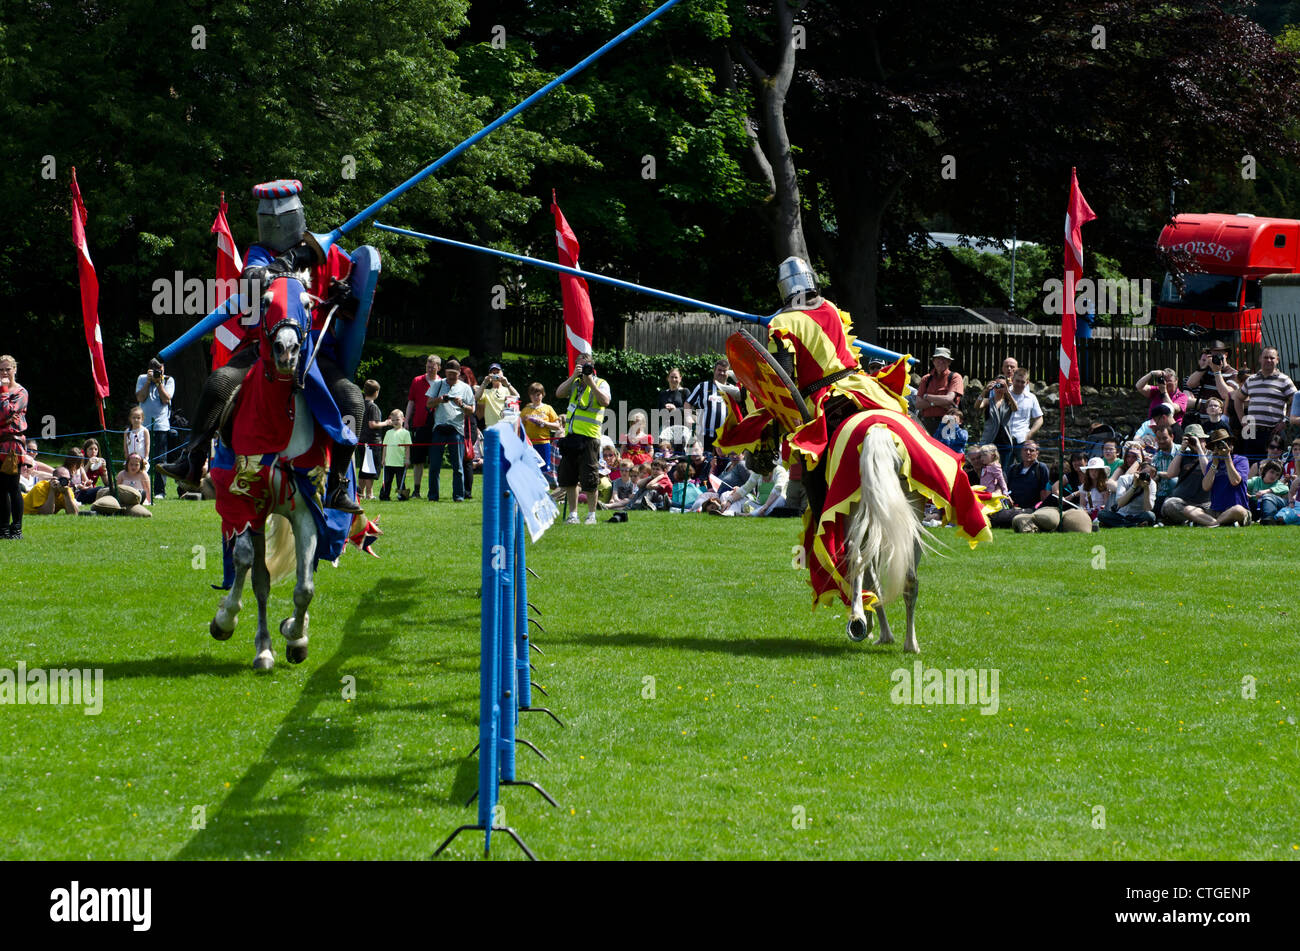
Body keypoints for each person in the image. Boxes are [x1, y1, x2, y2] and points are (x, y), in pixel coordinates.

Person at [160, 179, 364, 514]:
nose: (273, 224)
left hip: (314, 350)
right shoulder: (261, 252)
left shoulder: (330, 253)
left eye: (279, 217)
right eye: (266, 218)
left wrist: (344, 299)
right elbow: (252, 279)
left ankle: (338, 486)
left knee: (354, 403)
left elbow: (354, 308)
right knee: (217, 383)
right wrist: (282, 264)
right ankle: (193, 462)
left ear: (295, 216)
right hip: (263, 346)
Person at [555, 352, 611, 524]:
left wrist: (591, 383)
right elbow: (558, 393)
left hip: (589, 438)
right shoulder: (575, 383)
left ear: (592, 367)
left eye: (585, 366)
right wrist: (573, 376)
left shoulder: (601, 383)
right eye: (579, 366)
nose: (583, 369)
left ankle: (591, 515)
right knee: (570, 479)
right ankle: (573, 515)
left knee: (590, 478)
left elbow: (605, 401)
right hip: (571, 437)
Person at [1177, 427, 1251, 527]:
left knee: (1238, 510)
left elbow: (1235, 481)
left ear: (1232, 445)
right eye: (1218, 445)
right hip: (1215, 510)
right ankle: (1217, 523)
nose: (1223, 447)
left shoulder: (1241, 460)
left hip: (1235, 509)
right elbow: (1206, 486)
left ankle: (1212, 522)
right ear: (1213, 448)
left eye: (1226, 443)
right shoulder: (1212, 464)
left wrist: (1227, 458)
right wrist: (1215, 463)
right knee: (1188, 509)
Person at [425, 360, 475, 502]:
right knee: (434, 465)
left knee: (458, 466)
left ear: (459, 373)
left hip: (456, 429)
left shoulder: (466, 388)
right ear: (445, 372)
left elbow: (471, 411)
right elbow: (428, 404)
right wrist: (440, 400)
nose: (452, 377)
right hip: (439, 428)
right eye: (449, 374)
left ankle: (459, 496)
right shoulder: (438, 384)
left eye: (455, 374)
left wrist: (462, 404)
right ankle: (433, 496)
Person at [1238, 347, 1296, 464]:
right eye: (1265, 357)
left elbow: (1296, 401)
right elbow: (1238, 399)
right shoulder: (1251, 380)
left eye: (1272, 358)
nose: (1268, 360)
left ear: (1277, 360)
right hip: (1251, 430)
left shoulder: (1285, 380)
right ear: (1260, 359)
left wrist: (1285, 421)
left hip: (1273, 431)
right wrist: (1242, 420)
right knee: (1249, 464)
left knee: (1272, 467)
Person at [134, 358, 175, 498]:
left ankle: (159, 491)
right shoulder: (142, 378)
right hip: (142, 426)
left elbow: (166, 399)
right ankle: (139, 488)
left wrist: (158, 384)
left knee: (160, 459)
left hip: (161, 425)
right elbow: (140, 398)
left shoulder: (169, 380)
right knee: (140, 458)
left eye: (160, 370)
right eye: (155, 371)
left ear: (163, 369)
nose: (158, 373)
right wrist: (148, 382)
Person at [989, 440, 1050, 528]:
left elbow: (1044, 492)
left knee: (1003, 518)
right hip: (1012, 507)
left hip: (1031, 509)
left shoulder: (1041, 468)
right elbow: (1004, 487)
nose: (1028, 452)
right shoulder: (1013, 468)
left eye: (1031, 450)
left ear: (1037, 453)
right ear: (1021, 452)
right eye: (1025, 450)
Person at [0, 354, 29, 539]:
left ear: (15, 370)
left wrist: (3, 392)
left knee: (12, 486)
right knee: (0, 489)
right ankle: (2, 528)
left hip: (12, 445)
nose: (4, 373)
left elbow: (6, 412)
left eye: (7, 369)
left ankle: (16, 529)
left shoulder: (21, 392)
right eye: (1, 369)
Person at [405, 355, 441, 499]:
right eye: (428, 365)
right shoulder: (417, 380)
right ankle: (416, 490)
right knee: (418, 460)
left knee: (434, 460)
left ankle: (433, 491)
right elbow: (411, 402)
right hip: (419, 424)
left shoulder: (442, 383)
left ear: (438, 367)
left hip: (436, 425)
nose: (430, 368)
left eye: (433, 366)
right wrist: (406, 421)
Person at [1183, 340, 1238, 428]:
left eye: (1219, 354)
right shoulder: (1207, 371)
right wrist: (1204, 366)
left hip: (1220, 421)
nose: (1216, 357)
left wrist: (1217, 373)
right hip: (1203, 420)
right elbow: (1190, 384)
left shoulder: (1233, 373)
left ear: (1226, 355)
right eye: (1213, 354)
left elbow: (1226, 394)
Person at [915, 347, 964, 435]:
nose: (941, 361)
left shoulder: (955, 377)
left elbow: (949, 399)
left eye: (944, 359)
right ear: (933, 361)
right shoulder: (926, 379)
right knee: (927, 448)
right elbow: (918, 404)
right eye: (938, 359)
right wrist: (938, 403)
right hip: (927, 422)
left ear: (949, 362)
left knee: (947, 447)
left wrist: (927, 397)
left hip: (949, 421)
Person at [686, 359, 731, 454]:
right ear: (714, 371)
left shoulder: (732, 390)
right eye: (719, 370)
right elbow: (688, 402)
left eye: (724, 371)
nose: (722, 373)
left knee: (721, 464)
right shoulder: (702, 386)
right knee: (703, 462)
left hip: (725, 437)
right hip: (704, 435)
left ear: (728, 373)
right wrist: (688, 417)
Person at [522, 382, 562, 488]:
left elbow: (557, 426)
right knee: (530, 468)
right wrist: (523, 420)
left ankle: (543, 490)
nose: (536, 397)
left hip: (543, 444)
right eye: (533, 394)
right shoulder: (526, 410)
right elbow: (518, 427)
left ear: (543, 395)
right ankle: (531, 489)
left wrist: (544, 423)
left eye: (538, 394)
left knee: (544, 469)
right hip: (529, 444)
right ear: (530, 396)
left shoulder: (548, 408)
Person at [1099, 463, 1157, 528]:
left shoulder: (1152, 484)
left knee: (1150, 516)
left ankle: (1116, 524)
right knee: (1102, 514)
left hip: (1138, 515)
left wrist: (1146, 489)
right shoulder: (1124, 479)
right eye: (1144, 473)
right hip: (1121, 514)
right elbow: (1120, 503)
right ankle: (1134, 525)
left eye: (1149, 476)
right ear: (1138, 470)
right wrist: (1134, 486)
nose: (1145, 476)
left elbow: (1148, 508)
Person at [1004, 368, 1043, 464]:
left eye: (1022, 382)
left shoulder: (1031, 398)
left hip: (1022, 439)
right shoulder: (1003, 394)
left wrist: (1030, 433)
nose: (1019, 384)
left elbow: (1039, 419)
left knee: (1029, 469)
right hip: (1004, 439)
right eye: (1017, 381)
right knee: (1004, 472)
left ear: (1027, 382)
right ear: (1012, 379)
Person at [358, 380, 388, 500]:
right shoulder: (373, 406)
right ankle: (369, 494)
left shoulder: (361, 404)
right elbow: (372, 424)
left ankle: (361, 492)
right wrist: (386, 423)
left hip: (361, 440)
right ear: (376, 392)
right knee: (370, 468)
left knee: (362, 467)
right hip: (371, 441)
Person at [976, 375, 1014, 461]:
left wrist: (1007, 392)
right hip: (989, 442)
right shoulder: (988, 401)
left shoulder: (1008, 402)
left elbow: (1015, 408)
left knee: (1003, 471)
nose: (999, 387)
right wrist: (985, 391)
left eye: (1002, 385)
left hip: (1005, 442)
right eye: (997, 384)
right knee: (987, 468)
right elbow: (977, 406)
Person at [379, 409, 411, 501]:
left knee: (400, 481)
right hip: (389, 462)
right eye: (393, 420)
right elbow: (385, 447)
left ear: (403, 419)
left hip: (400, 462)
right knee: (387, 480)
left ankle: (403, 496)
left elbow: (407, 448)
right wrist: (383, 458)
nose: (395, 422)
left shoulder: (406, 433)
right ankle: (385, 495)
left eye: (397, 419)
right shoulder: (388, 433)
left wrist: (407, 459)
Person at [656, 367, 691, 451]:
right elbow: (658, 410)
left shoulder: (685, 392)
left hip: (682, 426)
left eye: (676, 377)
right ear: (668, 378)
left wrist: (676, 409)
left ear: (680, 378)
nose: (674, 379)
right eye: (671, 377)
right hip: (666, 427)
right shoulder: (663, 394)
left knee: (680, 451)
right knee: (663, 450)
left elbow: (689, 410)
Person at [475, 363, 519, 429]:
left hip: (506, 426)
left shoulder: (507, 390)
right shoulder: (486, 392)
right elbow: (476, 398)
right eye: (493, 373)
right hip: (491, 427)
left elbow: (517, 397)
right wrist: (484, 382)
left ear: (502, 374)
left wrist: (507, 384)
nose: (496, 375)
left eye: (498, 372)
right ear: (489, 375)